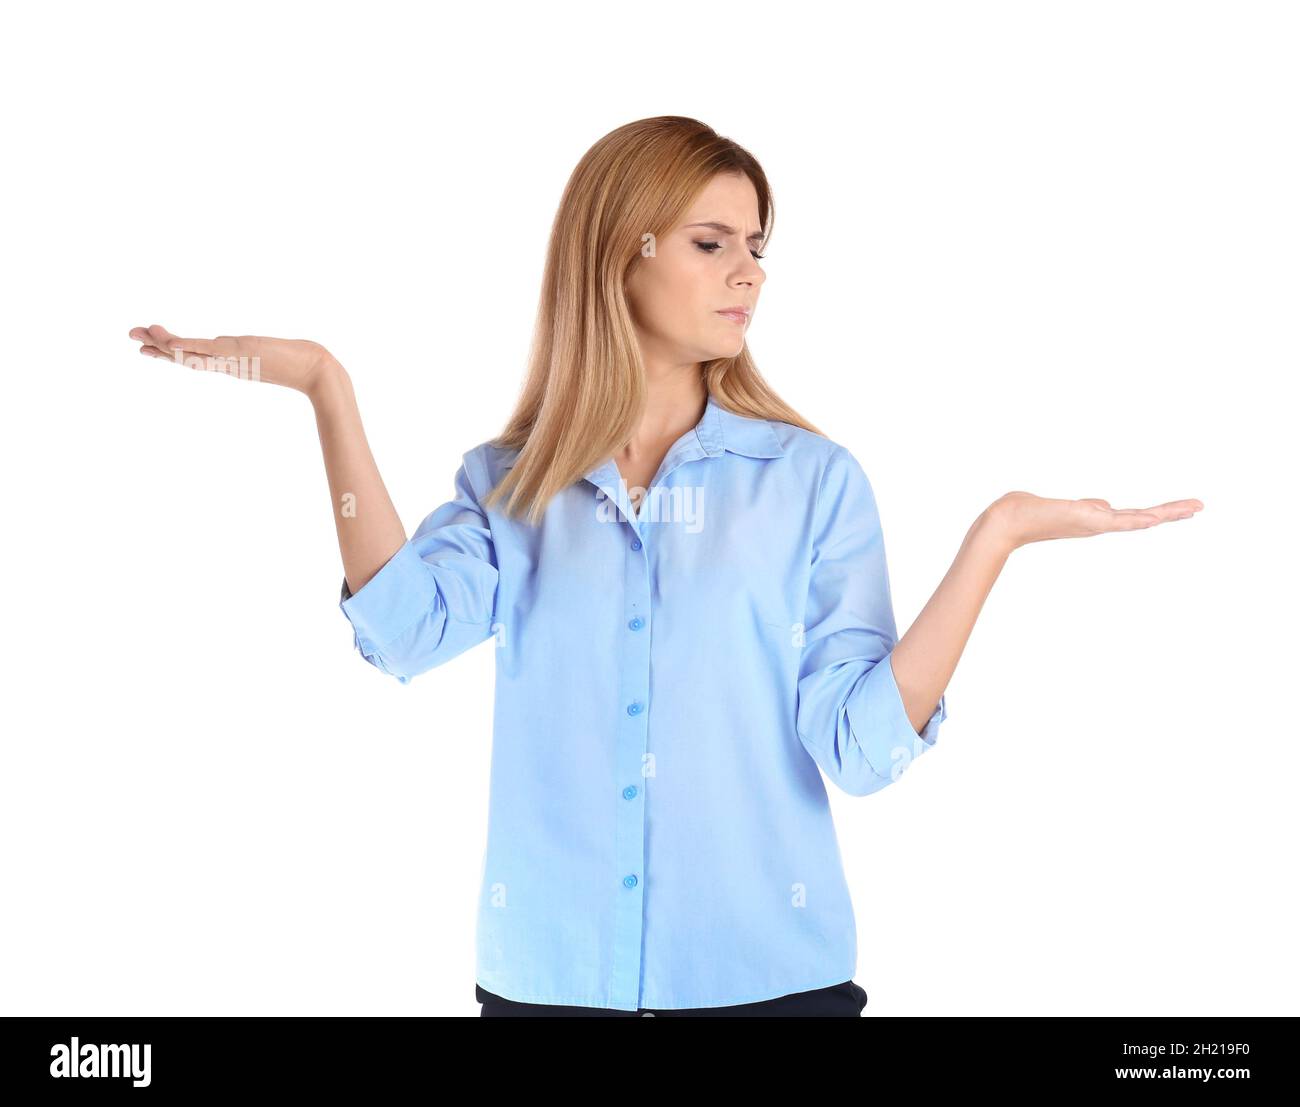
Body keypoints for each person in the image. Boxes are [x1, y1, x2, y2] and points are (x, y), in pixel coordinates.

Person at [128, 116, 1202, 1017]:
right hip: (547, 988)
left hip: (770, 992)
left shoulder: (811, 482)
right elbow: (400, 631)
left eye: (757, 245)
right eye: (711, 242)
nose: (750, 271)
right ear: (624, 251)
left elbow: (859, 749)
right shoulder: (511, 486)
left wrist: (993, 541)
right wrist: (325, 386)